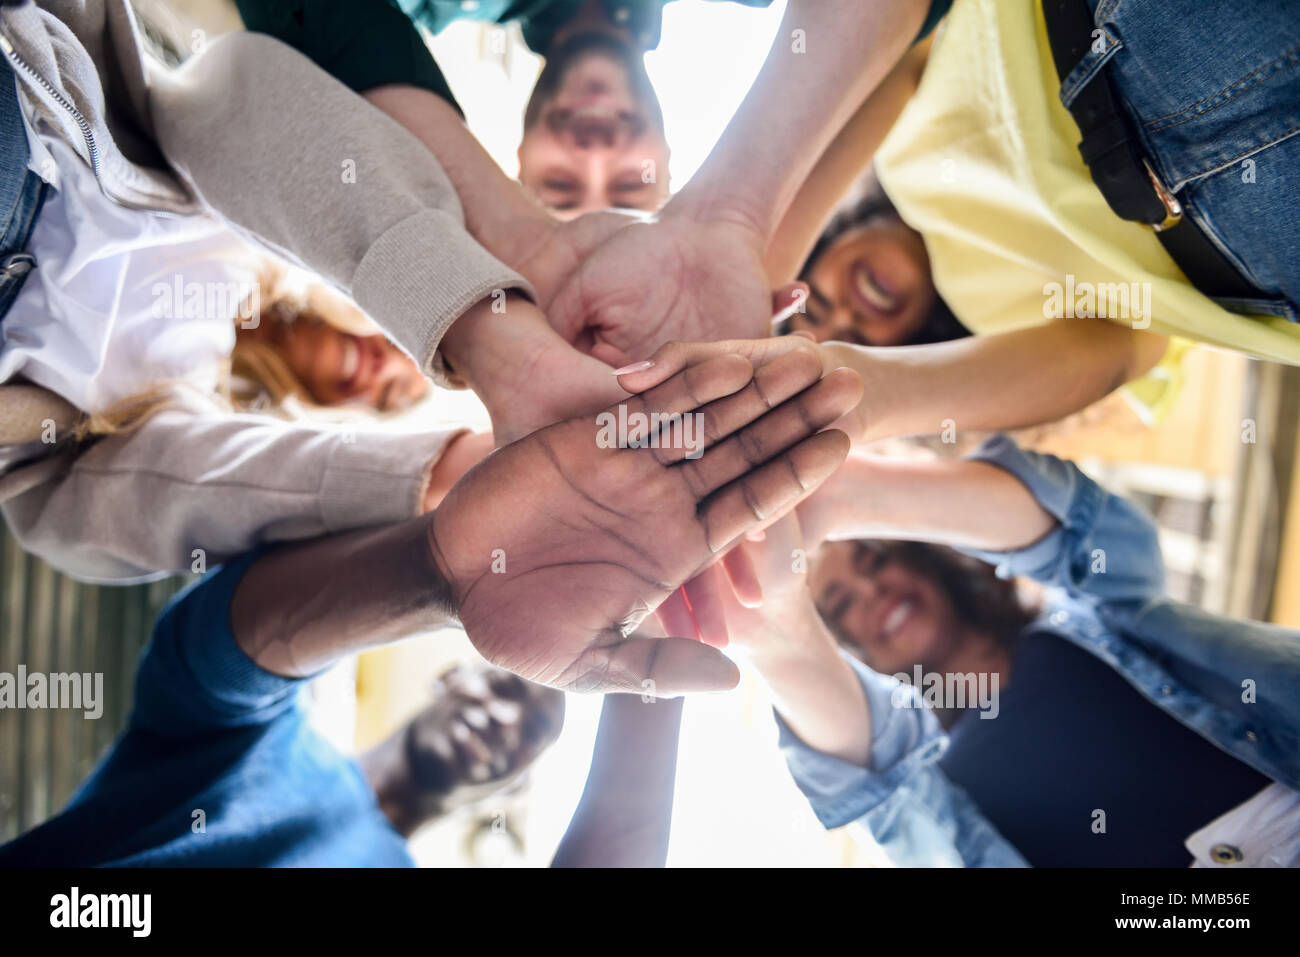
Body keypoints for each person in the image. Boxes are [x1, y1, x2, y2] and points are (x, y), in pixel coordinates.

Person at [717, 437, 1300, 866]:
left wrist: (847, 498)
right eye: (841, 604)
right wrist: (768, 617)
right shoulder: (933, 789)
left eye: (877, 559)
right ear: (851, 647)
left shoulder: (1080, 619)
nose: (874, 592)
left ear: (921, 555)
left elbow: (1088, 535)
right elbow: (874, 787)